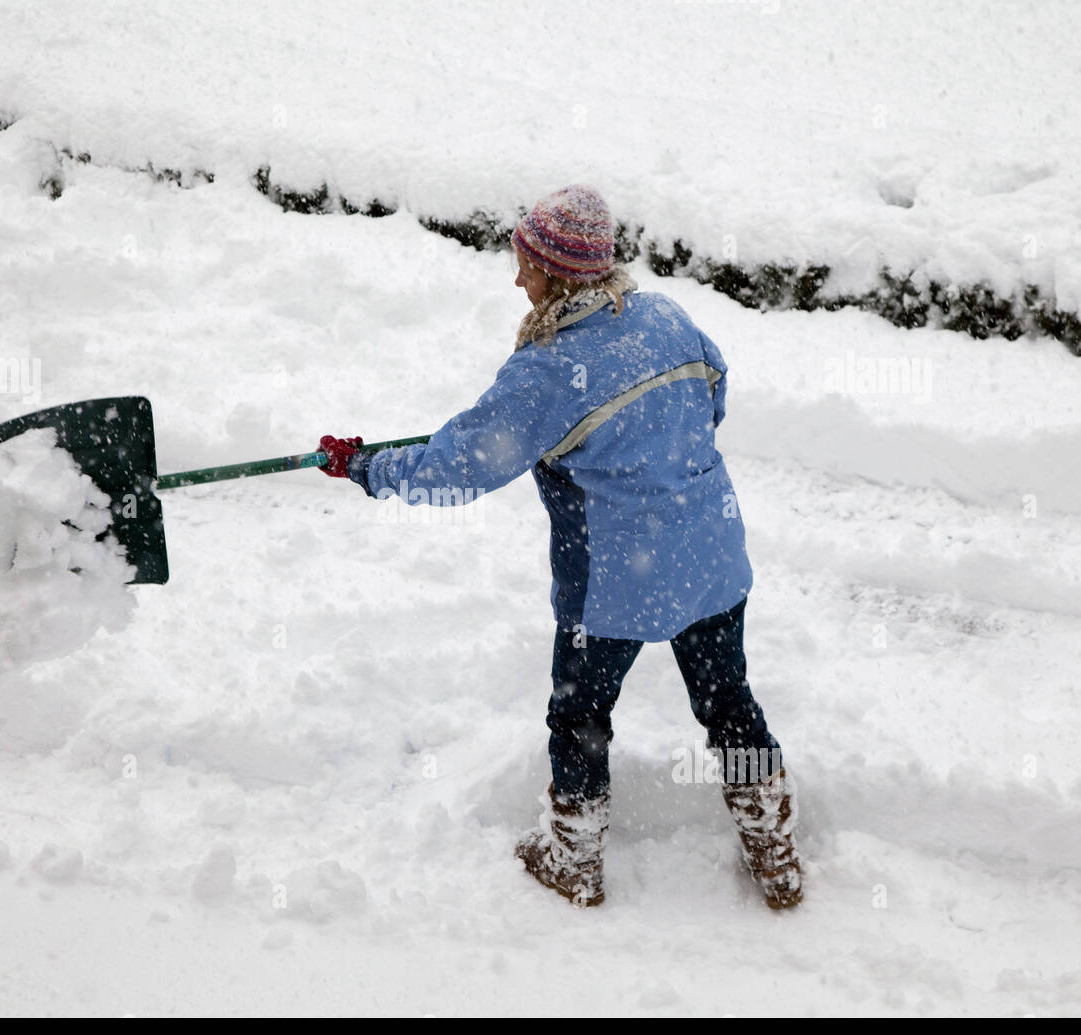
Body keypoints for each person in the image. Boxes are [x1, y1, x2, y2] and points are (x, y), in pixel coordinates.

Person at [318, 185, 802, 910]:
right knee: (728, 700)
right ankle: (776, 855)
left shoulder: (547, 369)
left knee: (579, 715)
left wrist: (366, 469)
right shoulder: (664, 318)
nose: (518, 279)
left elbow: (458, 468)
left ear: (561, 273)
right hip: (710, 555)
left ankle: (573, 859)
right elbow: (715, 395)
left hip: (613, 580)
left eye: (527, 266)